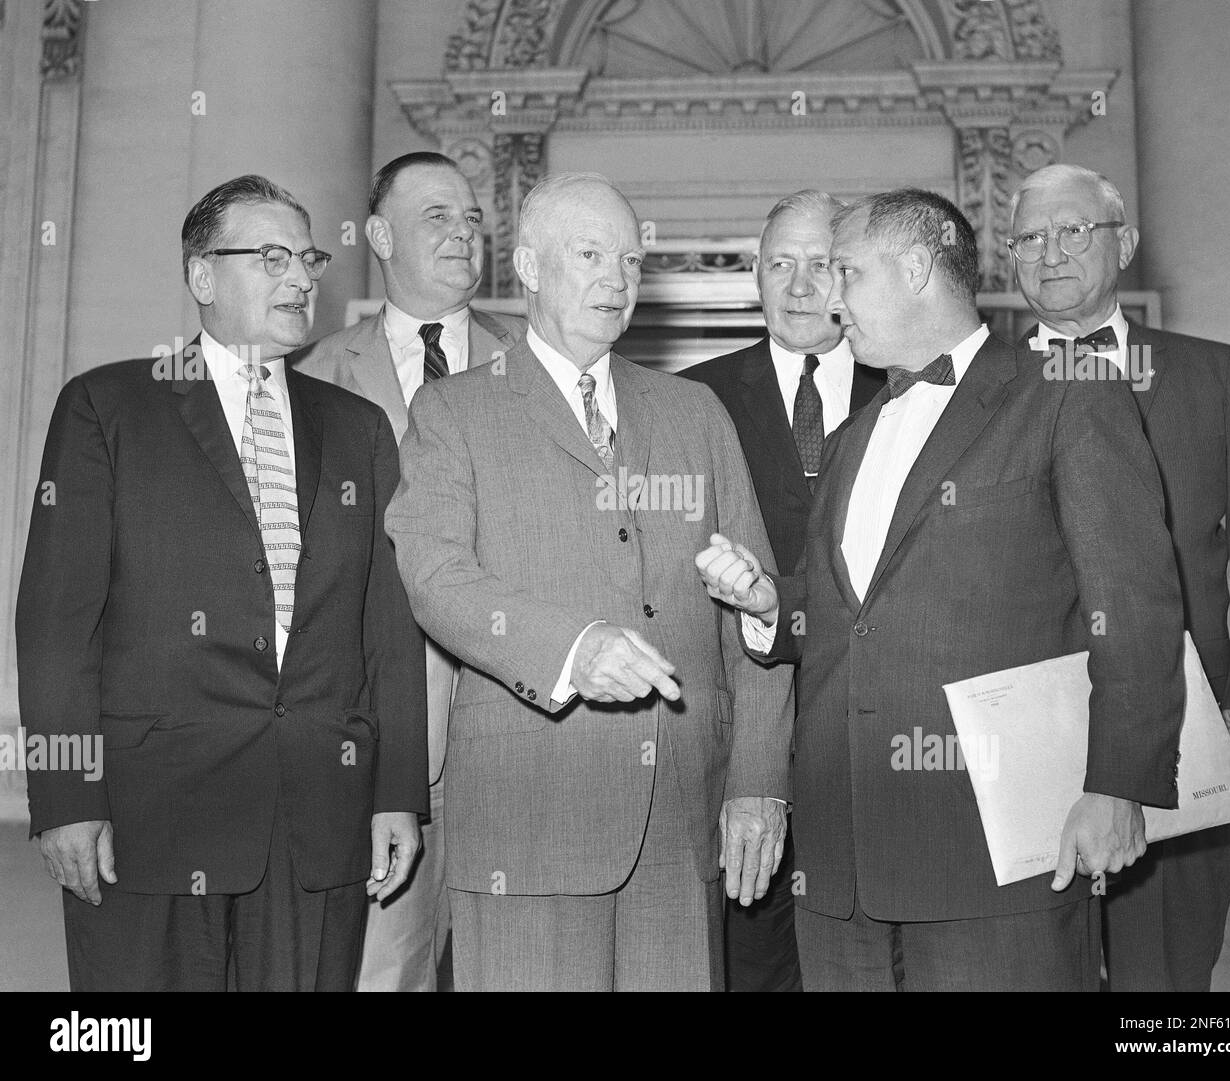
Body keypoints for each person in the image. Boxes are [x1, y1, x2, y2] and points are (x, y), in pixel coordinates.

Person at [697, 188, 1187, 991]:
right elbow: (842, 615)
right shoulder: (856, 435)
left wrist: (1117, 783)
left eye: (845, 272)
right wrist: (767, 607)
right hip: (842, 869)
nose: (826, 296)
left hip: (996, 861)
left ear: (917, 267)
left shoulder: (1065, 388)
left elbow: (1134, 600)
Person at [16, 174, 428, 992]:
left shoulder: (360, 429)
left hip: (315, 816)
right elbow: (58, 621)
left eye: (307, 257)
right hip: (148, 813)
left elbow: (387, 625)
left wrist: (396, 791)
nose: (303, 277)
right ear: (202, 276)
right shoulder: (109, 405)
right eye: (270, 256)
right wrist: (67, 795)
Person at [385, 172, 793, 991]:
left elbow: (757, 608)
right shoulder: (454, 412)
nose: (617, 279)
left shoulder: (696, 412)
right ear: (529, 268)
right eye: (590, 254)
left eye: (632, 261)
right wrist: (572, 650)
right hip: (529, 819)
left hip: (683, 825)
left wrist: (757, 781)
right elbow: (434, 575)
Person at [1009, 162, 1230, 991]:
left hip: (1186, 717)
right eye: (1029, 238)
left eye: (1073, 231)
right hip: (1032, 722)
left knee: (1166, 967)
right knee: (1032, 958)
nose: (1051, 252)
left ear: (1124, 244)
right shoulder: (980, 385)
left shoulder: (1210, 371)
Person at [292, 151, 524, 992]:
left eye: (472, 218)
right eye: (438, 216)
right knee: (386, 969)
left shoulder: (538, 366)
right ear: (380, 235)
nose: (464, 233)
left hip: (525, 725)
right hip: (380, 736)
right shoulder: (311, 375)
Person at [682, 189, 884, 992]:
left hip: (876, 739)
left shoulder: (909, 390)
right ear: (754, 278)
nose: (799, 287)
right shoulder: (691, 398)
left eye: (820, 265)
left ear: (849, 279)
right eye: (779, 265)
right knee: (746, 959)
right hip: (734, 733)